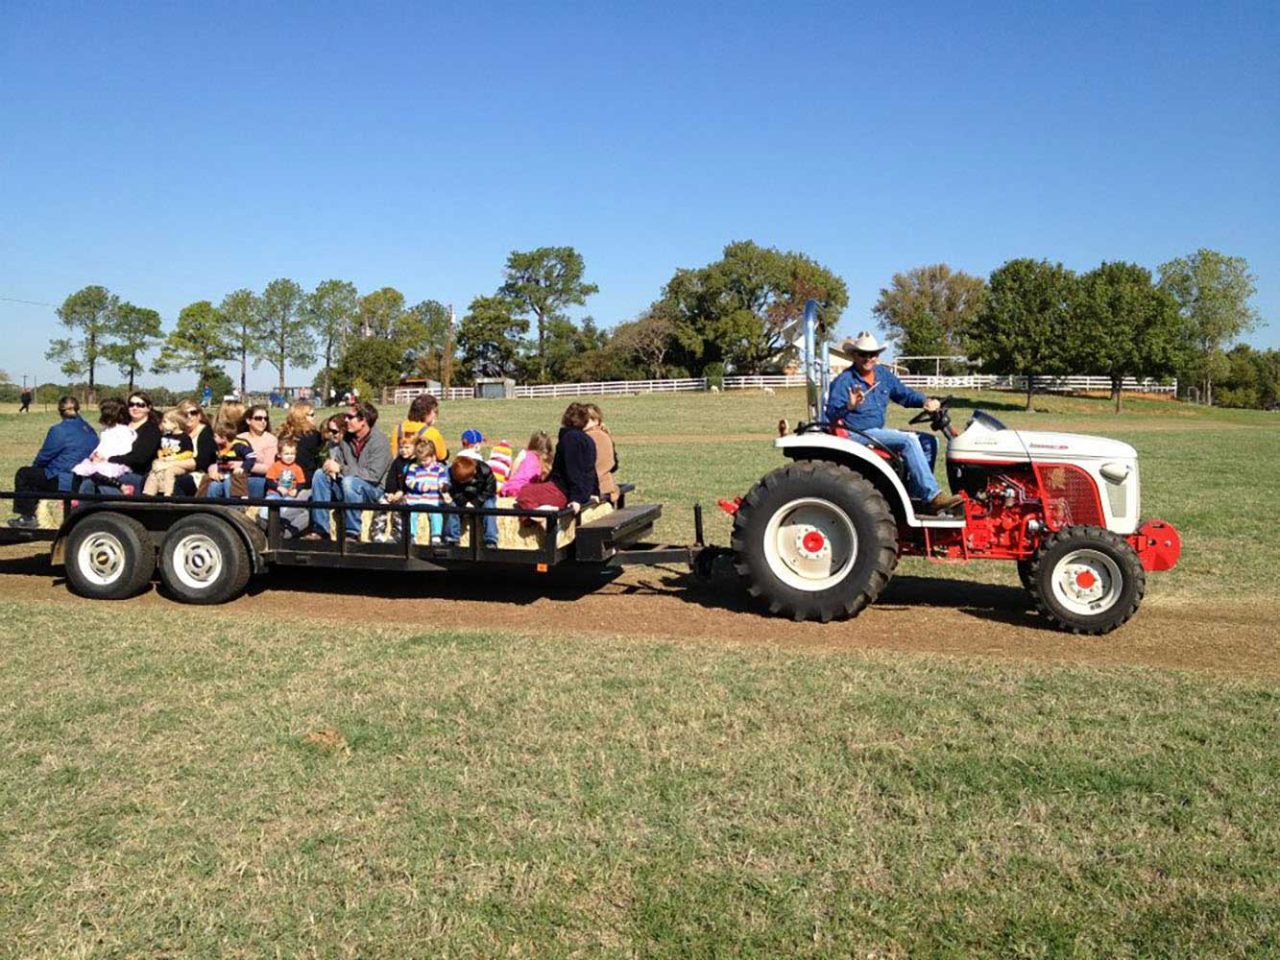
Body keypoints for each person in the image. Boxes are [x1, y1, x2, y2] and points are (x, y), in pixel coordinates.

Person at [824, 331, 962, 513]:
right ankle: (932, 496)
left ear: (878, 356)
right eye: (863, 354)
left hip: (876, 432)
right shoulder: (845, 381)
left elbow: (903, 393)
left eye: (873, 354)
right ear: (854, 355)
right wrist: (849, 406)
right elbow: (831, 414)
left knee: (929, 441)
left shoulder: (883, 375)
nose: (868, 358)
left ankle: (917, 496)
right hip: (856, 434)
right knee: (908, 440)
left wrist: (924, 401)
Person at [305, 401, 392, 540]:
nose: (346, 420)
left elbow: (373, 476)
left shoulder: (380, 441)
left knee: (350, 482)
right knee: (320, 475)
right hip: (348, 486)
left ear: (363, 420)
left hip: (373, 491)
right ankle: (320, 530)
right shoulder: (346, 439)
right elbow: (338, 462)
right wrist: (330, 467)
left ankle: (352, 532)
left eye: (350, 417)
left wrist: (340, 468)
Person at [8, 395, 98, 528]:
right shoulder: (89, 429)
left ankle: (27, 517)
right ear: (78, 409)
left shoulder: (58, 430)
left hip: (64, 480)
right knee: (37, 475)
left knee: (24, 474)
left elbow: (45, 456)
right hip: (83, 480)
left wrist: (36, 467)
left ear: (60, 411)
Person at [515, 402, 599, 516]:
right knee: (535, 488)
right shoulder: (588, 440)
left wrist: (575, 498)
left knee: (524, 492)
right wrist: (594, 491)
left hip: (563, 491)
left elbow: (573, 470)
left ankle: (541, 517)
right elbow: (591, 469)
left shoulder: (570, 439)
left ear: (566, 418)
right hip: (583, 491)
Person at [77, 391, 162, 496]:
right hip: (109, 468)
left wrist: (108, 459)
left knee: (92, 483)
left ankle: (92, 508)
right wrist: (96, 455)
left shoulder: (151, 430)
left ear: (148, 408)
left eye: (140, 405)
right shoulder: (121, 426)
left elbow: (139, 458)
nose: (135, 408)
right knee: (85, 476)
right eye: (131, 404)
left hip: (135, 474)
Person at [72, 398, 137, 493]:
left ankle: (121, 486)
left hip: (115, 463)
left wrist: (105, 457)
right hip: (101, 461)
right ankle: (73, 497)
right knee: (78, 470)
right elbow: (102, 446)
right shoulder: (106, 431)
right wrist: (95, 454)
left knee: (95, 473)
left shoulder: (124, 431)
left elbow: (125, 449)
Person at [443, 452, 499, 547]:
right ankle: (452, 538)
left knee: (490, 507)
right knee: (451, 507)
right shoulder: (450, 474)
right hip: (462, 495)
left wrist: (478, 501)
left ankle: (491, 539)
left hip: (482, 495)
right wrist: (463, 499)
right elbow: (453, 492)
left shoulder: (485, 470)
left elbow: (491, 489)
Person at [369, 435, 417, 543]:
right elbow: (391, 477)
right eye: (401, 447)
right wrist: (390, 492)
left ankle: (398, 534)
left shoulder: (416, 463)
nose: (403, 450)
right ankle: (377, 532)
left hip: (408, 494)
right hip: (395, 493)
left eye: (407, 447)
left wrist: (402, 492)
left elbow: (413, 481)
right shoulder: (397, 462)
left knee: (401, 506)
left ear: (415, 447)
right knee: (382, 503)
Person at [403, 436, 449, 543]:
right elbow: (409, 481)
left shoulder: (439, 469)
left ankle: (436, 536)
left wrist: (443, 487)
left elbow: (443, 481)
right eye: (420, 460)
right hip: (416, 500)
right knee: (412, 514)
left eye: (425, 460)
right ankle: (411, 535)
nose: (423, 462)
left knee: (436, 514)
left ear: (433, 456)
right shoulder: (414, 467)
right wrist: (420, 486)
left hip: (432, 500)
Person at [259, 438, 309, 535]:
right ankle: (265, 521)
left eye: (292, 454)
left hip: (289, 496)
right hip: (275, 494)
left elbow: (301, 482)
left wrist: (296, 490)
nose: (289, 456)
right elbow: (269, 480)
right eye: (286, 454)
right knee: (268, 506)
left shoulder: (297, 468)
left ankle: (282, 525)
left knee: (288, 509)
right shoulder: (275, 466)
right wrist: (278, 488)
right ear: (279, 455)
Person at [141, 408, 195, 496]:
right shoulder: (165, 436)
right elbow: (160, 449)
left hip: (178, 464)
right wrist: (160, 455)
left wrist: (175, 458)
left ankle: (167, 493)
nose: (162, 424)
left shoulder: (184, 438)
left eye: (165, 422)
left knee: (169, 472)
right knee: (154, 472)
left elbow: (189, 453)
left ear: (175, 424)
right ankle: (148, 493)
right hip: (164, 461)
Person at [172, 399, 216, 496]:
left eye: (193, 413)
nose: (189, 416)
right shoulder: (174, 433)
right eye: (184, 414)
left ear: (199, 416)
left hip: (198, 475)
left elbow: (202, 461)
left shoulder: (205, 433)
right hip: (172, 470)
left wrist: (170, 464)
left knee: (176, 481)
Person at [200, 423, 253, 498]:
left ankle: (235, 505)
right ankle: (208, 505)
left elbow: (252, 456)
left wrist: (243, 467)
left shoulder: (239, 446)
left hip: (236, 476)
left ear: (224, 438)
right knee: (213, 485)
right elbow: (218, 463)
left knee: (229, 484)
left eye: (215, 436)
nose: (213, 438)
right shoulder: (219, 448)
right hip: (223, 474)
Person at [238, 404, 277, 499]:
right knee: (215, 486)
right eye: (258, 418)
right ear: (248, 420)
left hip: (259, 477)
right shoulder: (240, 438)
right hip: (237, 476)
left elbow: (269, 468)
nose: (263, 421)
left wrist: (243, 465)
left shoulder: (270, 440)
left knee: (252, 483)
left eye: (265, 418)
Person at [393, 394, 448, 461]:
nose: (436, 415)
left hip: (400, 469)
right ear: (428, 412)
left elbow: (394, 453)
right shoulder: (431, 432)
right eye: (435, 411)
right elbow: (442, 456)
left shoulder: (398, 428)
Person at [584, 403, 619, 504]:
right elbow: (614, 465)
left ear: (596, 420)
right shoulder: (605, 435)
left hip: (594, 491)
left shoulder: (588, 437)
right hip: (608, 488)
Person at [502, 430, 553, 499]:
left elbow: (513, 472)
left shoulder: (523, 453)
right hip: (525, 491)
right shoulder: (545, 461)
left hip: (511, 487)